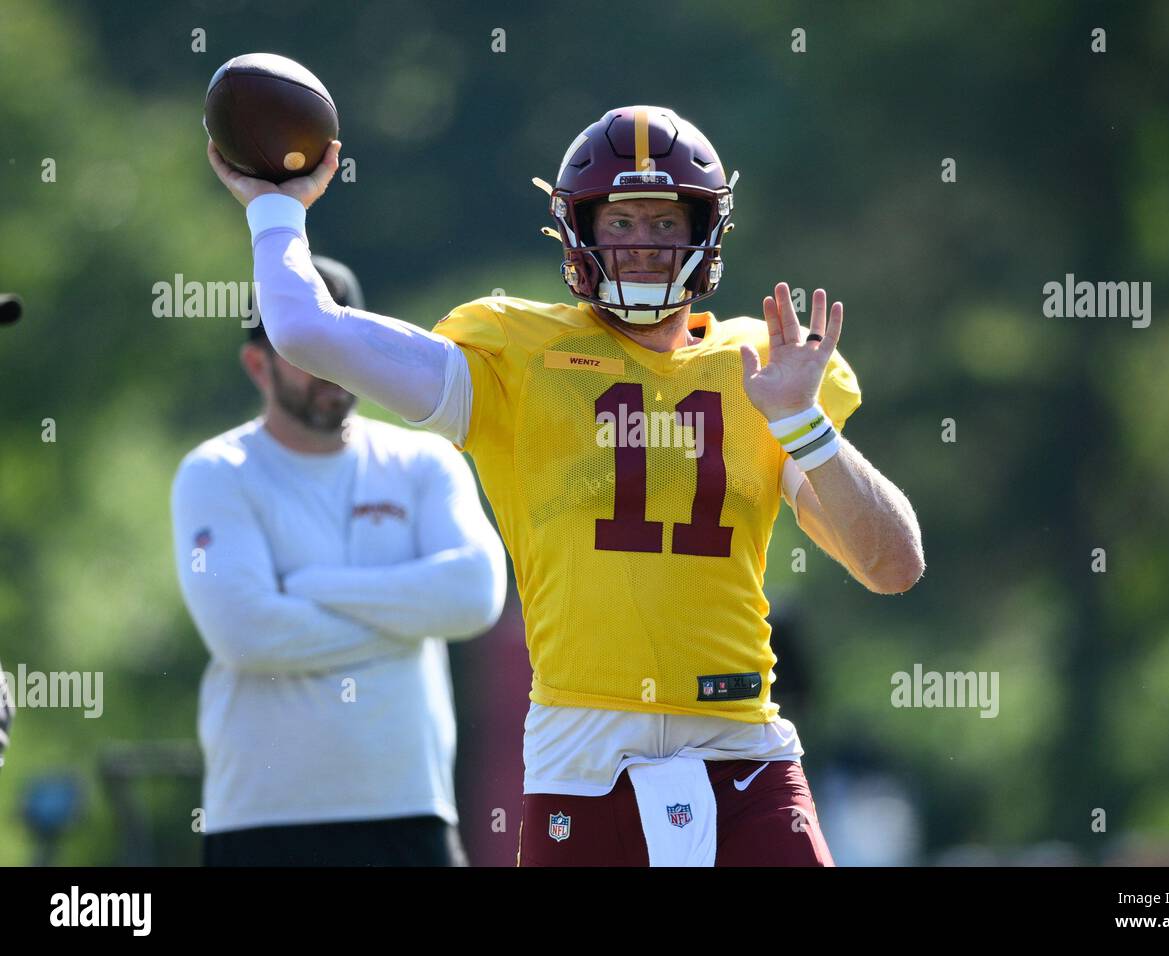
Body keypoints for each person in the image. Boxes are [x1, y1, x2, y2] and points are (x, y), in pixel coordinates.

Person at [207, 105, 924, 866]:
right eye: (620, 223)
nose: (644, 246)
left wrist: (802, 424)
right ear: (579, 231)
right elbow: (308, 331)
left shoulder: (761, 367)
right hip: (582, 759)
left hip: (743, 750)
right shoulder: (516, 356)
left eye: (664, 222)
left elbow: (893, 565)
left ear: (704, 231)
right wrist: (276, 211)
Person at [170, 255, 507, 866]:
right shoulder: (217, 472)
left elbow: (476, 594)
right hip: (262, 820)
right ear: (257, 364)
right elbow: (246, 635)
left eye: (339, 352)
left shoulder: (424, 461)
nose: (331, 374)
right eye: (307, 356)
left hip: (410, 813)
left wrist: (309, 586)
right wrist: (406, 622)